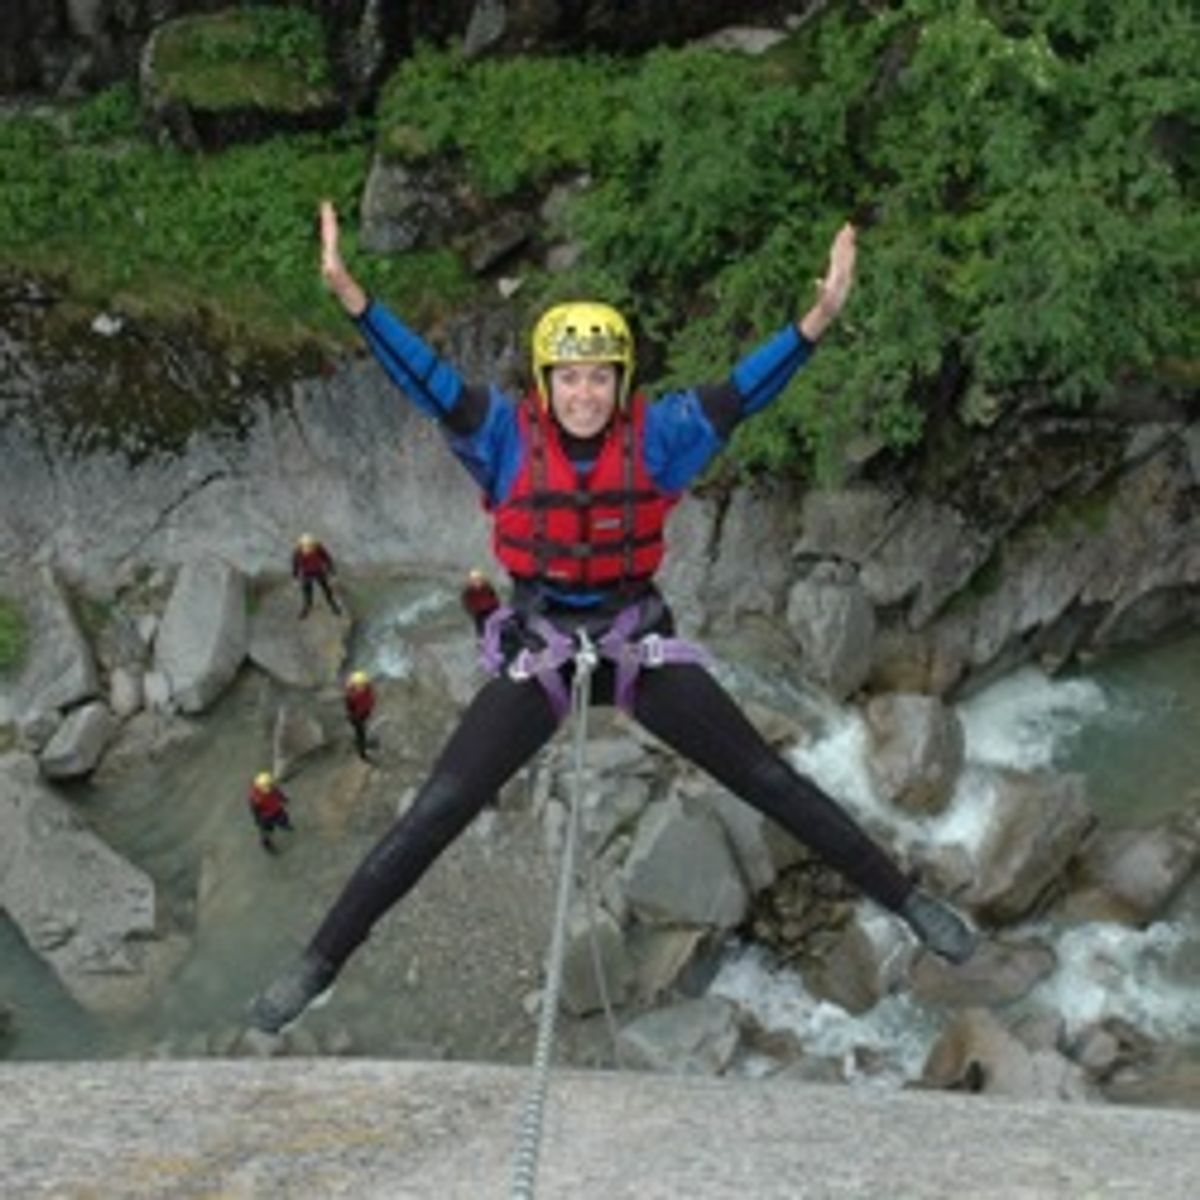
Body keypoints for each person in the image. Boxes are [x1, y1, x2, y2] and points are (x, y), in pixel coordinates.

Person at [248, 200, 978, 1033]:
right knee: (438, 809)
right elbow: (424, 380)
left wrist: (816, 321)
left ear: (620, 382)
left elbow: (749, 391)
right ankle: (319, 962)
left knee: (770, 781)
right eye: (569, 377)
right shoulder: (501, 437)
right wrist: (353, 298)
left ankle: (909, 903)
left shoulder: (661, 437)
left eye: (599, 377)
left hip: (638, 646)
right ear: (545, 382)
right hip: (545, 650)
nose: (585, 393)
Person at [292, 533, 342, 618]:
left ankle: (333, 605)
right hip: (306, 573)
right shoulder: (298, 552)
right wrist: (295, 576)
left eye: (310, 546)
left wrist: (332, 571)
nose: (309, 548)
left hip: (319, 571)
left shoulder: (318, 548)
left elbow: (327, 558)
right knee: (307, 591)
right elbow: (295, 564)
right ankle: (307, 606)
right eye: (307, 546)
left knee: (326, 589)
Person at [248, 771, 294, 854]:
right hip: (266, 816)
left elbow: (277, 792)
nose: (270, 787)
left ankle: (284, 825)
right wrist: (258, 820)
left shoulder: (271, 787)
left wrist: (283, 798)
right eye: (268, 786)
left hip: (276, 808)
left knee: (284, 818)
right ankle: (267, 844)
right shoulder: (255, 798)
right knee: (267, 831)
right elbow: (255, 810)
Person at [344, 669, 377, 761]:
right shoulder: (359, 693)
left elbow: (368, 703)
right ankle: (362, 752)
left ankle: (362, 751)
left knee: (360, 732)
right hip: (358, 716)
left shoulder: (357, 693)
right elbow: (350, 704)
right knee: (360, 733)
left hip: (359, 715)